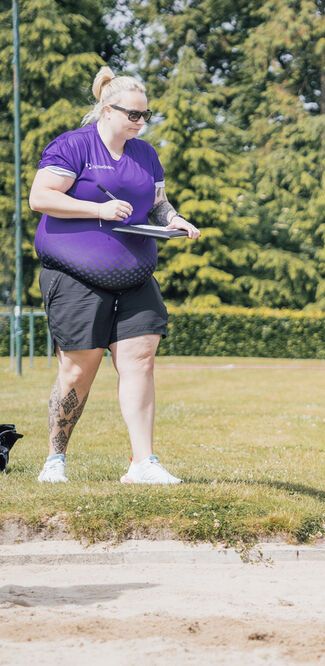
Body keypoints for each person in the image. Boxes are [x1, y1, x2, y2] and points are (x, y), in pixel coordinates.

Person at [28, 67, 199, 484]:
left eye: (146, 115)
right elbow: (40, 197)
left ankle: (143, 463)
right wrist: (98, 209)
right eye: (133, 114)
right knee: (78, 369)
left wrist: (174, 220)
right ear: (107, 110)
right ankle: (55, 459)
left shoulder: (144, 153)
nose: (140, 122)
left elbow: (158, 202)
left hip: (136, 275)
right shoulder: (74, 146)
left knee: (140, 359)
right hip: (74, 276)